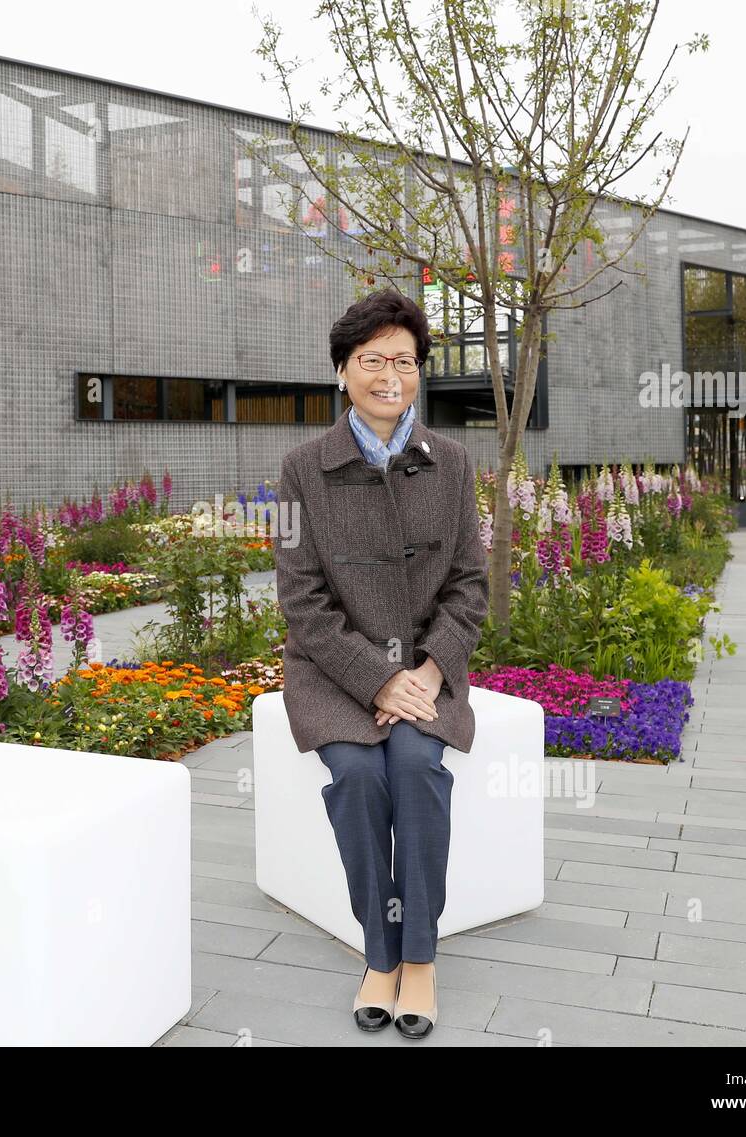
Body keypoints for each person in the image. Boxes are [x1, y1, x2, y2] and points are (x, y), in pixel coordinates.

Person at [273, 287, 489, 1039]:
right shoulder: (302, 469)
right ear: (342, 371)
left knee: (417, 768)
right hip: (335, 672)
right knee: (360, 775)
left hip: (427, 670)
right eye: (372, 360)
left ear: (419, 372)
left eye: (404, 360)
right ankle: (381, 950)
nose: (389, 374)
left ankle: (419, 958)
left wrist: (428, 672)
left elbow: (469, 583)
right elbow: (303, 604)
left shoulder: (453, 463)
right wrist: (376, 676)